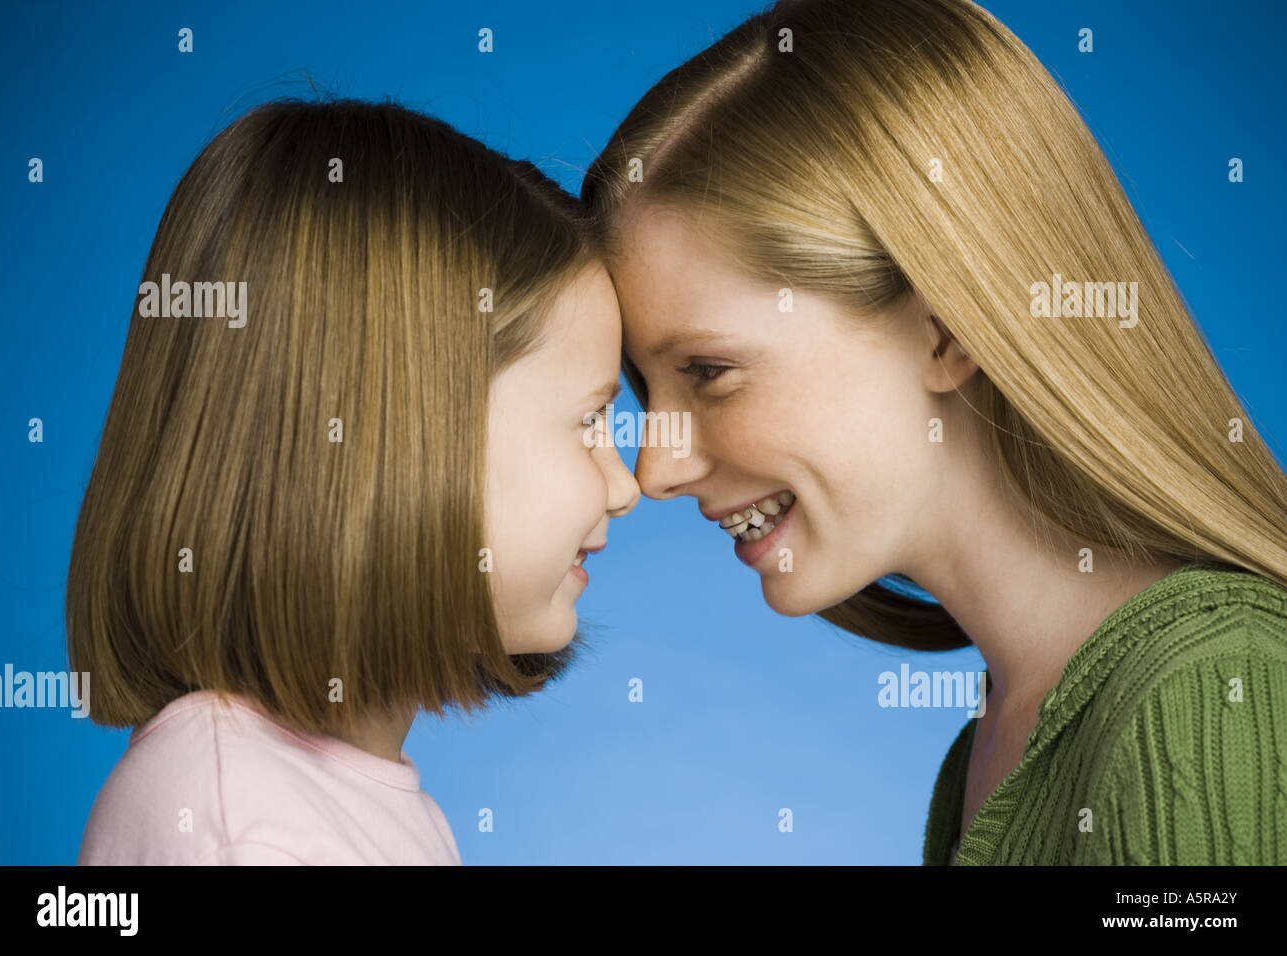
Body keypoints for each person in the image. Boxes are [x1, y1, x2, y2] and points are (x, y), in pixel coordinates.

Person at [581, 0, 1287, 864]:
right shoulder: (993, 744)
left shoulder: (1213, 696)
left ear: (946, 331)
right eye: (644, 388)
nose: (654, 467)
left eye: (707, 371)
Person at [70, 97, 638, 865]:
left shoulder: (321, 805)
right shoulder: (248, 831)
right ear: (403, 438)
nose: (624, 487)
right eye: (589, 420)